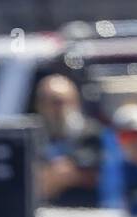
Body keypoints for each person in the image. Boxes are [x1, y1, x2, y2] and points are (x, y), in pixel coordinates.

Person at [34, 74, 104, 208]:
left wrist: (53, 176)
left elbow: (87, 173)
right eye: (44, 101)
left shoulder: (91, 133)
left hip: (84, 214)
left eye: (58, 101)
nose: (53, 108)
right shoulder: (36, 138)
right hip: (45, 215)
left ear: (75, 102)